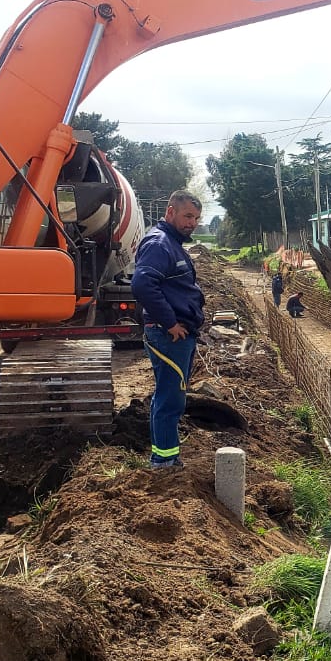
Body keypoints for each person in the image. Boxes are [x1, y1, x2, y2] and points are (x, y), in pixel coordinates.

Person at [131, 190, 205, 469]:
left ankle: (166, 456)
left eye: (196, 218)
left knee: (171, 395)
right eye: (187, 216)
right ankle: (164, 461)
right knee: (170, 398)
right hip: (169, 335)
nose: (192, 223)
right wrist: (170, 323)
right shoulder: (159, 244)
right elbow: (142, 284)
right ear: (170, 212)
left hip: (176, 334)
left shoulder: (171, 243)